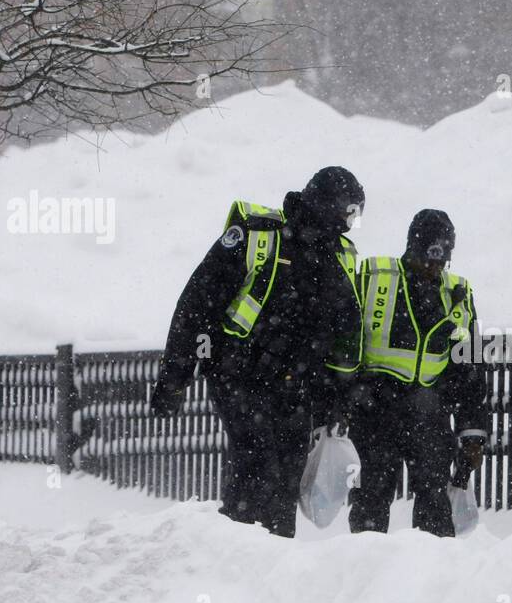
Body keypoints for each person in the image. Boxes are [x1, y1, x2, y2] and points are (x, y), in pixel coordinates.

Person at [150, 167, 365, 537]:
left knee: (287, 477)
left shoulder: (339, 256)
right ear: (327, 206)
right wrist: (174, 379)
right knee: (257, 467)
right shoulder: (256, 236)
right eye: (347, 213)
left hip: (295, 385)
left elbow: (345, 333)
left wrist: (339, 398)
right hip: (238, 375)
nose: (349, 225)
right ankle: (234, 553)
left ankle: (270, 569)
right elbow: (196, 305)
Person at [348, 209, 487, 537]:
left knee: (434, 497)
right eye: (428, 255)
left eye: (442, 258)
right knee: (373, 493)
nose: (434, 266)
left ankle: (434, 571)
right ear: (412, 247)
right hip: (375, 406)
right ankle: (364, 565)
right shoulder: (374, 278)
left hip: (428, 411)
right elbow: (342, 337)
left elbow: (470, 368)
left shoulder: (458, 295)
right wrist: (343, 394)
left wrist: (473, 432)